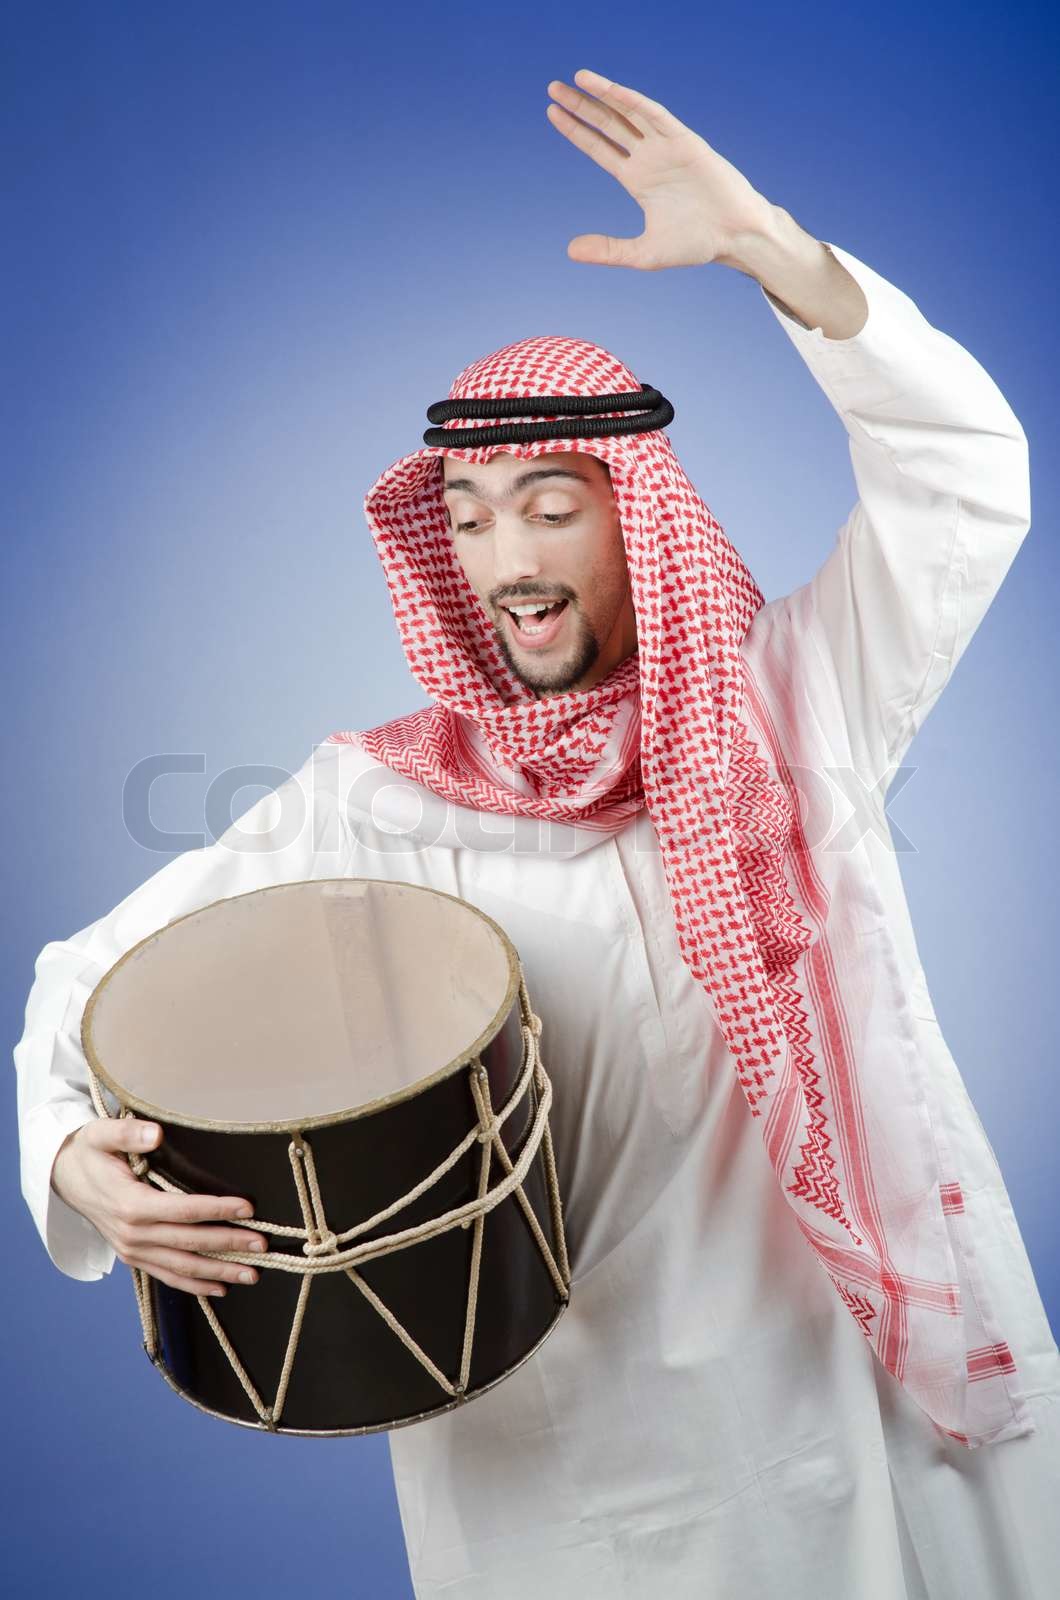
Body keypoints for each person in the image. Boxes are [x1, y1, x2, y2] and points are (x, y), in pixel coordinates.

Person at [15, 68, 1060, 1599]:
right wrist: (66, 1159)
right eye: (469, 515)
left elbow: (966, 480)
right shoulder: (378, 802)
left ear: (638, 515)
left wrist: (770, 245)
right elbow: (84, 978)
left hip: (892, 1432)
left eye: (548, 505)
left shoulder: (796, 703)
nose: (504, 556)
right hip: (594, 1498)